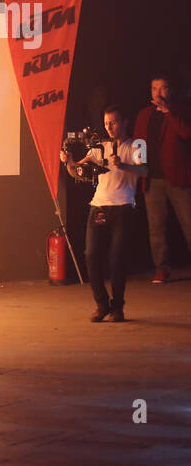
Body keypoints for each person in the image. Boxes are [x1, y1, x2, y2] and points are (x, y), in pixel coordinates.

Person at [61, 105, 147, 322]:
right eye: (107, 122)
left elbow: (145, 170)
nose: (109, 127)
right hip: (98, 206)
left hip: (124, 206)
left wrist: (123, 165)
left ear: (125, 122)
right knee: (91, 254)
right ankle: (101, 304)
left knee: (117, 258)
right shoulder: (99, 147)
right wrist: (69, 162)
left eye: (114, 122)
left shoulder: (138, 145)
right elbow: (78, 172)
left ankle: (118, 307)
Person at [133, 75, 191, 283]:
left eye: (163, 88)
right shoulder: (144, 114)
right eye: (154, 88)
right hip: (152, 179)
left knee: (188, 222)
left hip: (177, 177)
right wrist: (138, 164)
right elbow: (138, 141)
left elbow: (186, 134)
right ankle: (161, 268)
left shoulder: (181, 111)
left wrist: (169, 112)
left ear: (170, 91)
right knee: (156, 227)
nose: (158, 93)